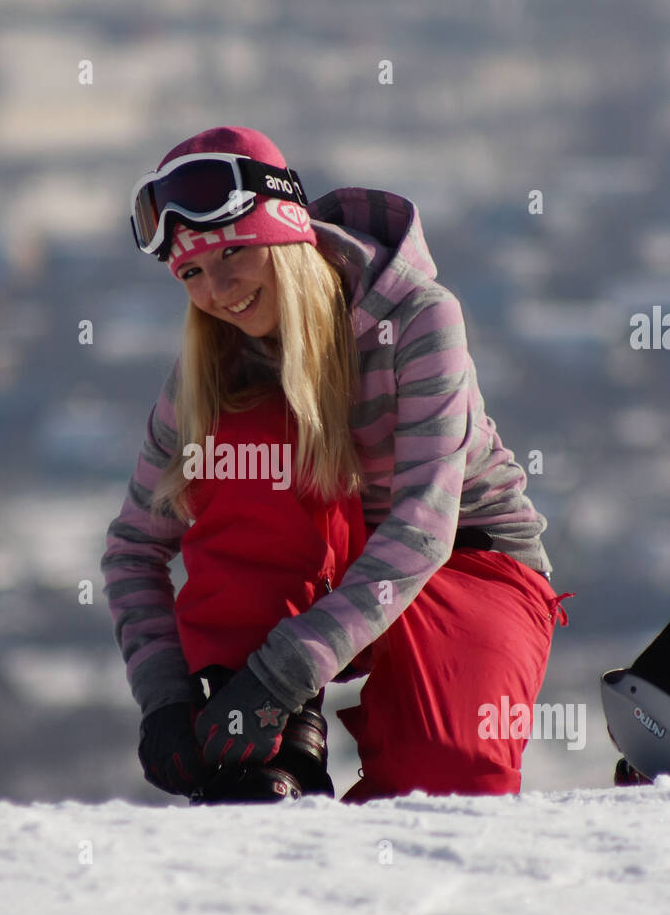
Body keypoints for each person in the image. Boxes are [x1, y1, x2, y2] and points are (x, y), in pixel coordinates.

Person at [101, 125, 575, 804]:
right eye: (192, 273)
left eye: (236, 251)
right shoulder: (211, 369)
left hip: (463, 565)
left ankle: (301, 727)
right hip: (318, 581)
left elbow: (421, 529)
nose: (220, 289)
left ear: (287, 234)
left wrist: (280, 674)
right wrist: (167, 700)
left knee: (447, 788)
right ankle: (274, 749)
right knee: (242, 432)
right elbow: (132, 549)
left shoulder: (416, 318)